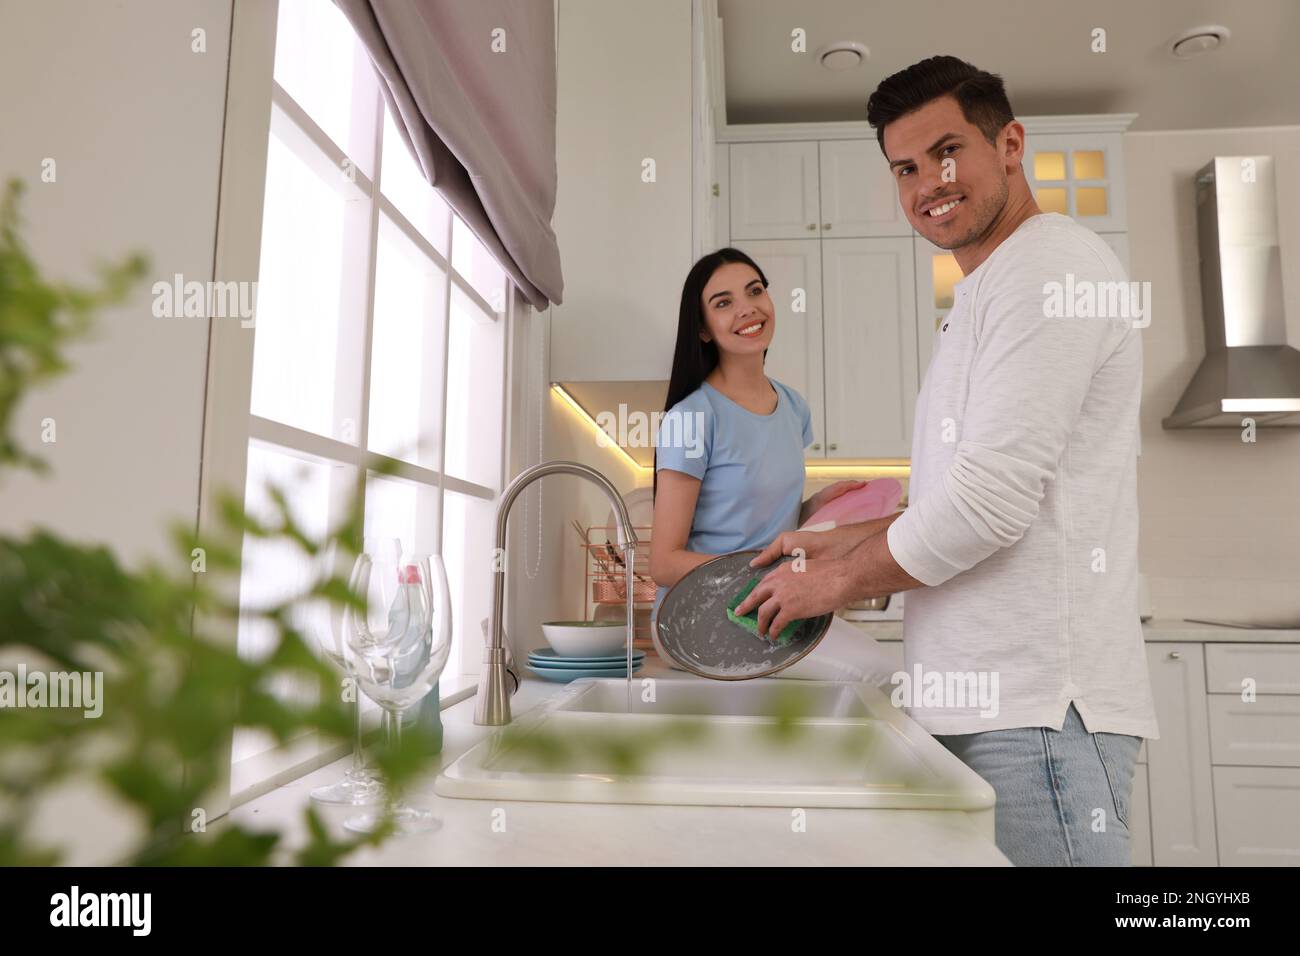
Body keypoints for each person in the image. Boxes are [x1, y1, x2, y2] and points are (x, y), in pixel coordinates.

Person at [739, 56, 1158, 866]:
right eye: (904, 166)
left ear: (1009, 143)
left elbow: (986, 509)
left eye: (946, 151)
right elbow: (983, 497)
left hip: (1035, 716)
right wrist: (842, 543)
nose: (928, 181)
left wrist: (823, 584)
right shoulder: (988, 291)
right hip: (990, 710)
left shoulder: (1047, 269)